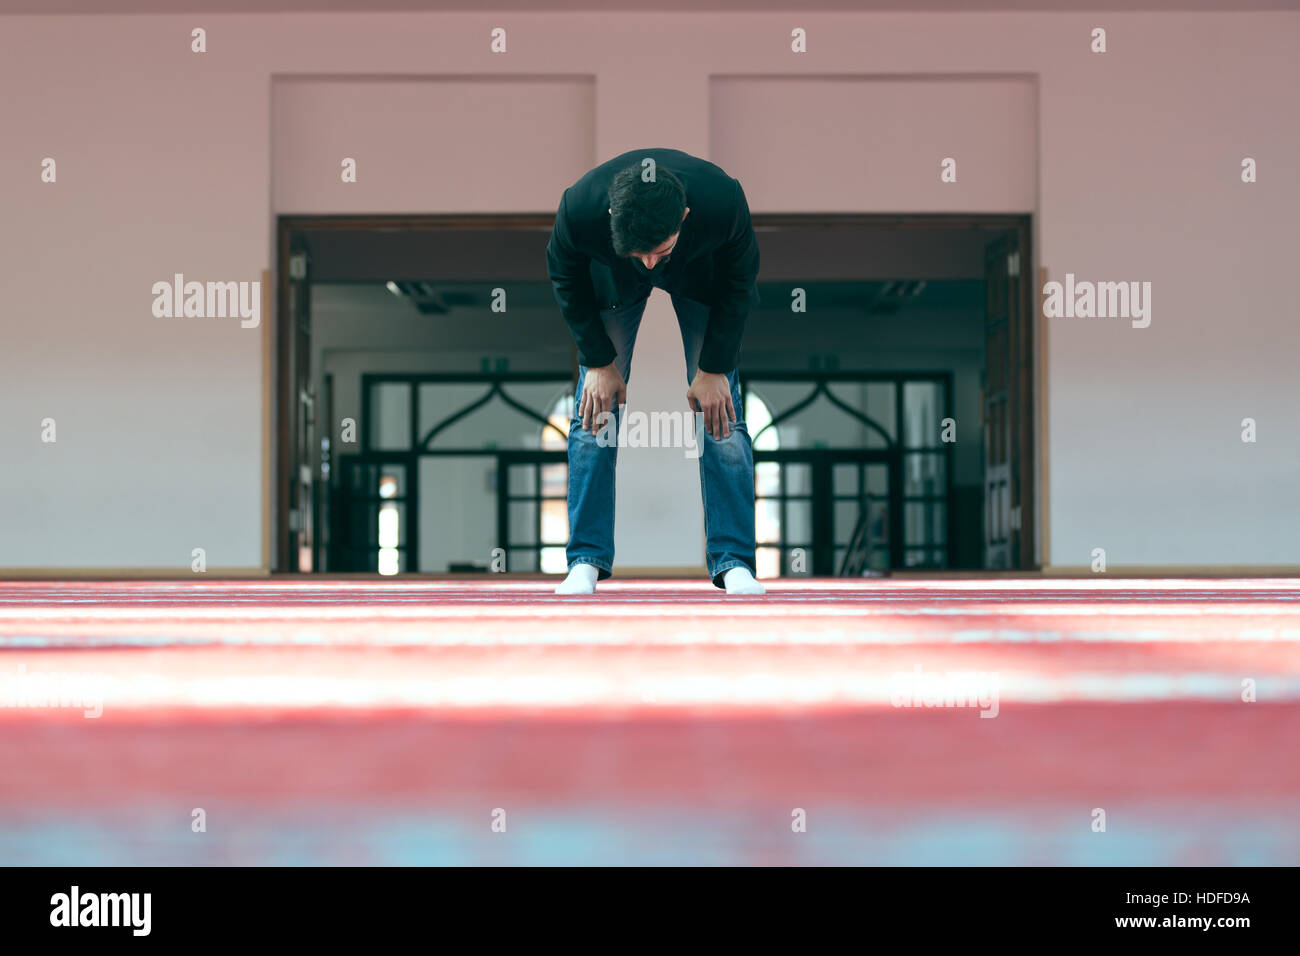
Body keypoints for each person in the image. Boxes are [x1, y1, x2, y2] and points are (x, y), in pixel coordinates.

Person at [546, 148, 764, 596]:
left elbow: (740, 284)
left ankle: (734, 562)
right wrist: (598, 361)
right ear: (610, 217)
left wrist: (715, 368)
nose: (649, 264)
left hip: (700, 280)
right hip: (613, 285)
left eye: (658, 251)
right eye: (639, 254)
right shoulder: (579, 208)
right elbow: (565, 277)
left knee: (721, 413)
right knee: (594, 411)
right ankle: (585, 560)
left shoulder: (724, 202)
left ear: (684, 217)